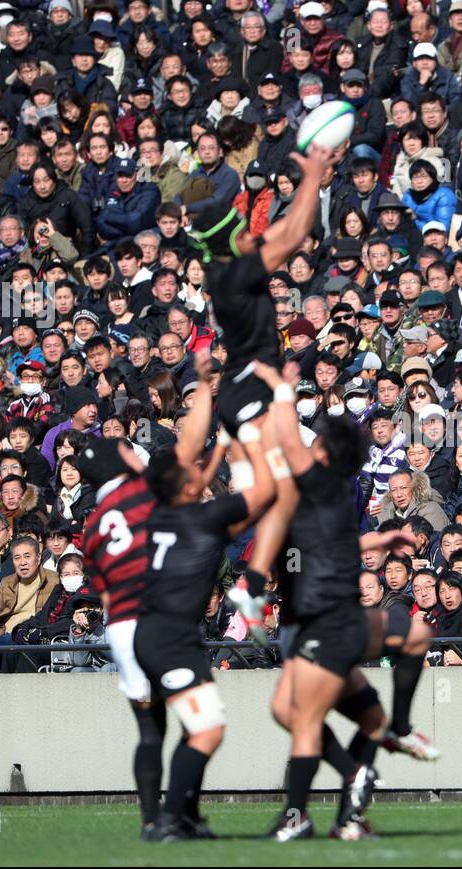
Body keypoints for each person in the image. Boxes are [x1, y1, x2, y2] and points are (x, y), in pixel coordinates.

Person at [254, 361, 437, 841]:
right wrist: (382, 540)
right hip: (322, 615)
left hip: (319, 620)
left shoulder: (309, 484)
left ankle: (307, 811)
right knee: (356, 708)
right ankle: (359, 789)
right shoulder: (338, 491)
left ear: (319, 449)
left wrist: (280, 390)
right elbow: (332, 546)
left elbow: (284, 441)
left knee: (300, 717)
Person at [191, 145, 337, 641]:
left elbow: (278, 233)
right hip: (252, 389)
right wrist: (313, 178)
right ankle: (243, 577)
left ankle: (249, 582)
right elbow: (293, 233)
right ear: (232, 237)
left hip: (237, 392)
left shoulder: (221, 268)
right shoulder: (240, 271)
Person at [78, 352, 219, 839]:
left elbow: (99, 589)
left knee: (149, 729)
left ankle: (150, 821)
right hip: (160, 615)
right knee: (198, 721)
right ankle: (185, 814)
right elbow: (188, 450)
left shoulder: (92, 525)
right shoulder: (143, 487)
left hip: (120, 626)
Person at [135, 422, 274, 842]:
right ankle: (169, 820)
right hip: (170, 638)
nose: (200, 473)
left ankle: (185, 815)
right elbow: (263, 492)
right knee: (207, 729)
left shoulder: (158, 516)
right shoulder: (204, 516)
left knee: (194, 728)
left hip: (162, 634)